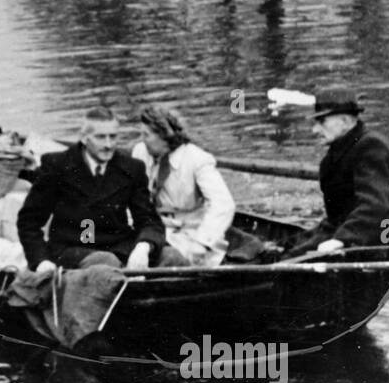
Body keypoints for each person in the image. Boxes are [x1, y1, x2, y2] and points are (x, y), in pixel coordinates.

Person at [17, 107, 180, 272]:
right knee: (105, 264)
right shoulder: (57, 166)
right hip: (71, 249)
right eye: (100, 137)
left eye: (113, 137)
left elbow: (148, 219)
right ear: (84, 138)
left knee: (172, 257)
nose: (108, 145)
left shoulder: (132, 168)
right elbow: (29, 222)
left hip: (119, 245)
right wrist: (41, 261)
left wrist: (143, 247)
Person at [289, 88, 389, 257]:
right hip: (349, 235)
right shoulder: (336, 155)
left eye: (322, 122)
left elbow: (376, 205)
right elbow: (336, 217)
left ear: (344, 120)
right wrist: (300, 242)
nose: (315, 130)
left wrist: (341, 240)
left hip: (379, 243)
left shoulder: (371, 147)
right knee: (285, 251)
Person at [130, 105, 235, 267]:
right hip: (153, 227)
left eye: (147, 135)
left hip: (189, 233)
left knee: (168, 258)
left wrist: (203, 242)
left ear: (164, 136)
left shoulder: (197, 159)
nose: (142, 139)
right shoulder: (140, 151)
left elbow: (223, 204)